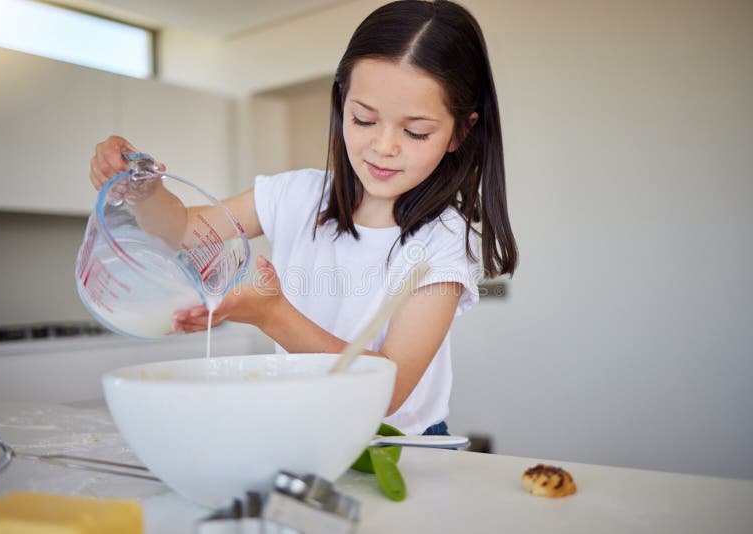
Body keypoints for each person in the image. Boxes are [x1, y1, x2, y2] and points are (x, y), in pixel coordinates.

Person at [88, 0, 518, 436]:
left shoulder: (444, 242)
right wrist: (144, 192)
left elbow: (387, 390)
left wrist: (271, 314)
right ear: (342, 102)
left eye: (415, 131)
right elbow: (180, 231)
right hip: (305, 432)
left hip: (402, 448)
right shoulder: (295, 196)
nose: (384, 146)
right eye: (363, 119)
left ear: (460, 132)